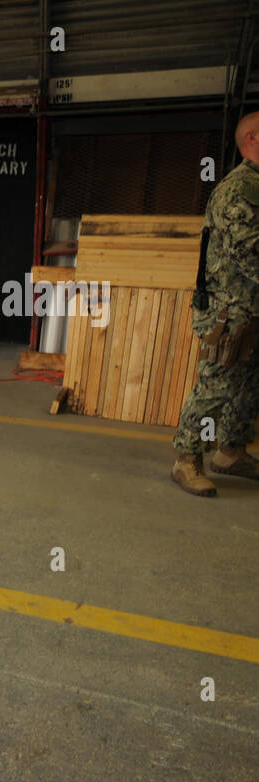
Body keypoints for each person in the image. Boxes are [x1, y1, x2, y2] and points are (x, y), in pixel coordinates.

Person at [171, 112, 259, 496]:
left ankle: (231, 450)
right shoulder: (237, 190)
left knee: (250, 383)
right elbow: (248, 251)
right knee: (217, 384)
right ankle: (186, 458)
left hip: (252, 307)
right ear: (252, 139)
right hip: (229, 309)